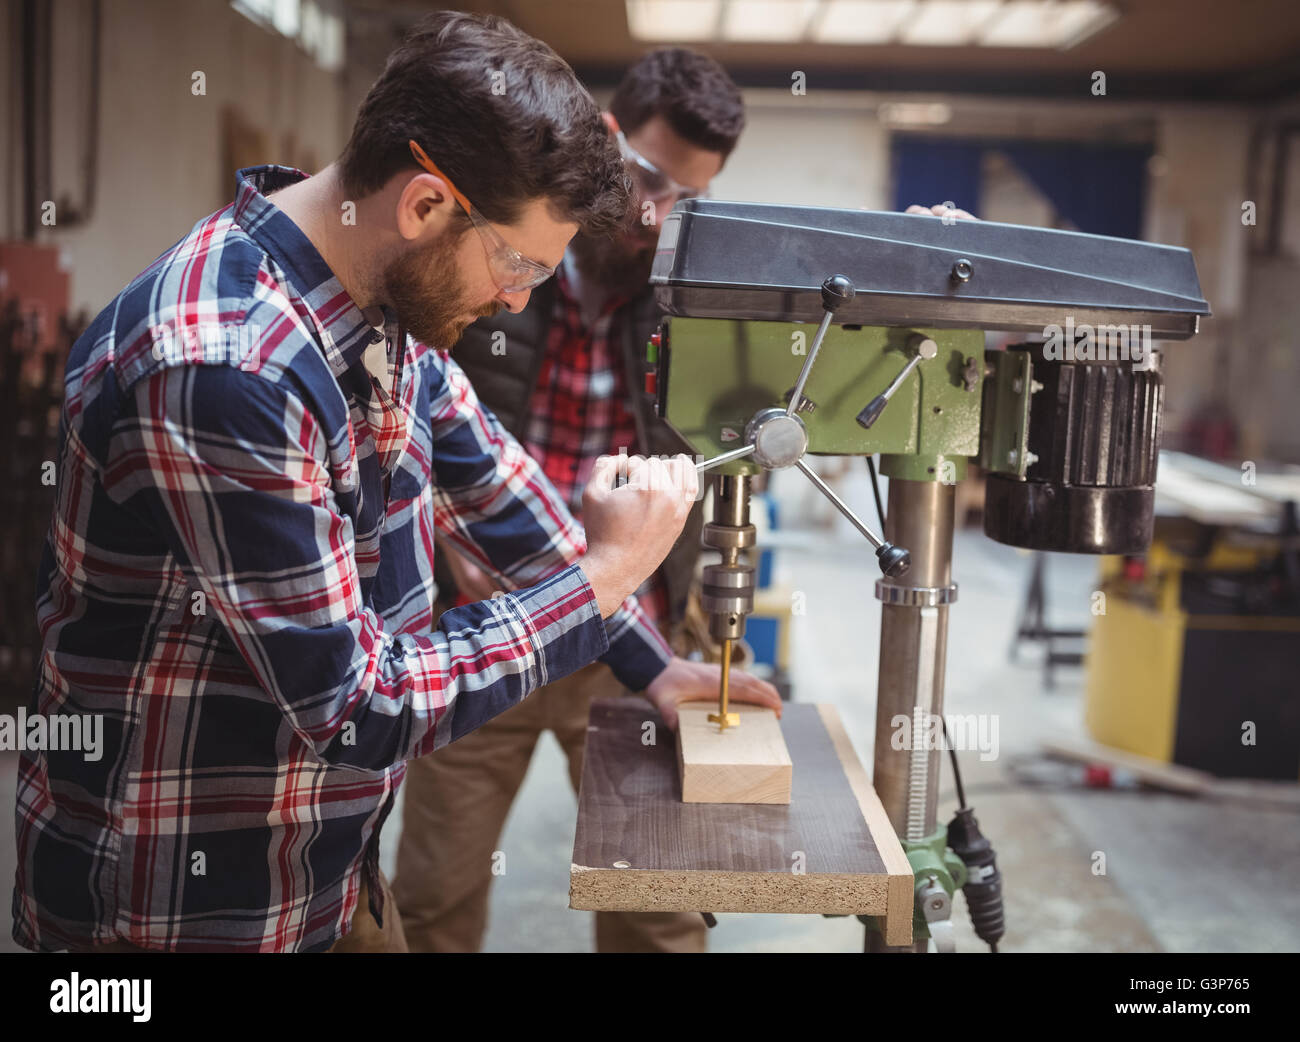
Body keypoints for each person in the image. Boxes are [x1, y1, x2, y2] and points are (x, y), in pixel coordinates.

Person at [12, 11, 779, 955]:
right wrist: (601, 580)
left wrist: (654, 667)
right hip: (185, 908)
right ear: (424, 204)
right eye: (519, 261)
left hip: (329, 874)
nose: (517, 299)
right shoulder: (225, 368)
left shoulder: (382, 316)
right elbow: (356, 707)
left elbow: (503, 494)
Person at [393, 48, 752, 954]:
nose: (655, 215)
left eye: (687, 201)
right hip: (478, 634)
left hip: (630, 637)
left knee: (656, 914)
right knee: (432, 901)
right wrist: (439, 547)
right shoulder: (484, 264)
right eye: (649, 179)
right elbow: (423, 433)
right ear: (606, 137)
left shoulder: (695, 298)